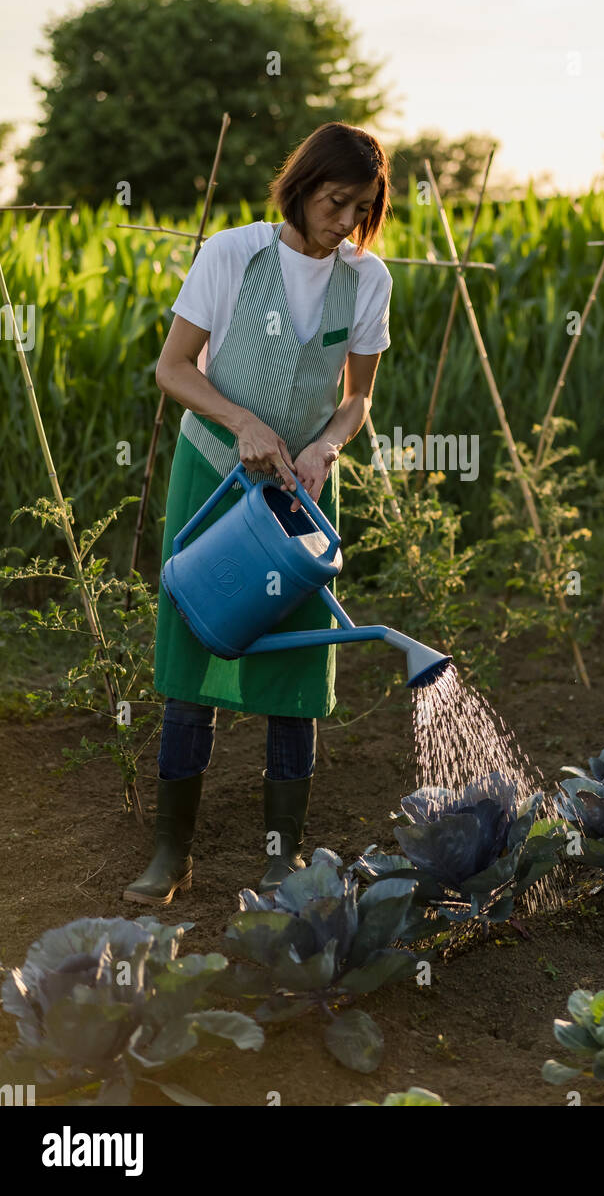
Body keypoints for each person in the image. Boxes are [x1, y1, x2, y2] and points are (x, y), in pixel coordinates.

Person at [123, 122, 392, 905]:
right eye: (335, 202)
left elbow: (359, 401)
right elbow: (173, 368)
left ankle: (282, 864)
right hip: (213, 477)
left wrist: (329, 448)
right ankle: (171, 858)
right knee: (192, 662)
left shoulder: (367, 278)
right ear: (302, 186)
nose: (345, 222)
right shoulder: (233, 254)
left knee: (293, 665)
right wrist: (240, 421)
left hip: (299, 491)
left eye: (362, 209)